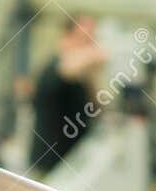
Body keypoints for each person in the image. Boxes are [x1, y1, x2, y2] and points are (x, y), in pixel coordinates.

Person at [28, 14, 108, 177]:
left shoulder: (80, 75)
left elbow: (98, 105)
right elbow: (69, 67)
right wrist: (94, 54)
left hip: (71, 166)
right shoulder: (56, 66)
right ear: (66, 36)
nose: (90, 44)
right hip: (49, 167)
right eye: (85, 38)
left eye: (93, 38)